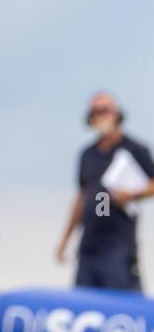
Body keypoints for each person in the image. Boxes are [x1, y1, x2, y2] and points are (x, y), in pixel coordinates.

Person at [56, 92, 154, 291]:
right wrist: (65, 240)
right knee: (84, 302)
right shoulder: (87, 154)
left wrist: (132, 195)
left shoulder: (135, 149)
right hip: (89, 245)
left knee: (122, 302)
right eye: (96, 112)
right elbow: (81, 197)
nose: (101, 116)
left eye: (105, 110)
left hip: (118, 246)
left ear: (117, 114)